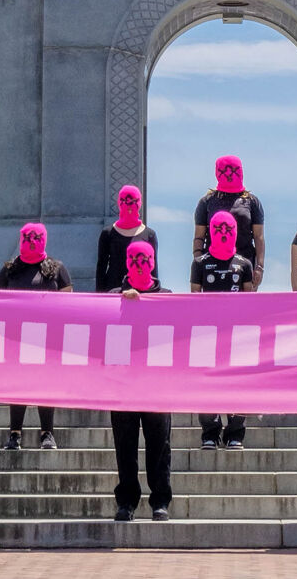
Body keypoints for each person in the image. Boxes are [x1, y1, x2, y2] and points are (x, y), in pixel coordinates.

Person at [0, 221, 73, 449]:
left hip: (48, 339)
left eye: (37, 238)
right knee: (18, 385)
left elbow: (69, 302)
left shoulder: (57, 268)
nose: (32, 242)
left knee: (46, 384)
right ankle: (15, 434)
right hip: (17, 338)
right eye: (27, 237)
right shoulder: (10, 269)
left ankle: (47, 433)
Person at [110, 240, 174, 522]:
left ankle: (160, 501)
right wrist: (124, 302)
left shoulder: (168, 298)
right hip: (122, 384)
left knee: (159, 446)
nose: (139, 264)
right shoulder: (112, 298)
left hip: (157, 384)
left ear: (153, 261)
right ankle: (126, 502)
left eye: (144, 259)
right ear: (127, 261)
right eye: (134, 259)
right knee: (125, 446)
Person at [190, 209, 255, 449]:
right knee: (207, 382)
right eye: (219, 230)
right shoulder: (200, 263)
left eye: (229, 230)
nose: (224, 234)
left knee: (239, 382)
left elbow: (250, 299)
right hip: (207, 334)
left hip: (237, 334)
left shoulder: (244, 264)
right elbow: (194, 297)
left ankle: (235, 432)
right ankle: (210, 431)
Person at [192, 154, 265, 290]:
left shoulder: (252, 202)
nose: (229, 175)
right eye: (225, 171)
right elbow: (199, 237)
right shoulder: (206, 202)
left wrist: (259, 266)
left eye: (234, 170)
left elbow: (259, 237)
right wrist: (198, 263)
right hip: (211, 265)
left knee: (245, 309)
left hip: (245, 264)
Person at [96, 184, 158, 293]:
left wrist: (155, 292)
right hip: (113, 292)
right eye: (124, 200)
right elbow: (101, 267)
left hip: (142, 293)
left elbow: (153, 268)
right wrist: (99, 296)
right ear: (119, 203)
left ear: (139, 203)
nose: (129, 206)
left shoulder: (150, 234)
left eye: (134, 201)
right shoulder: (108, 233)